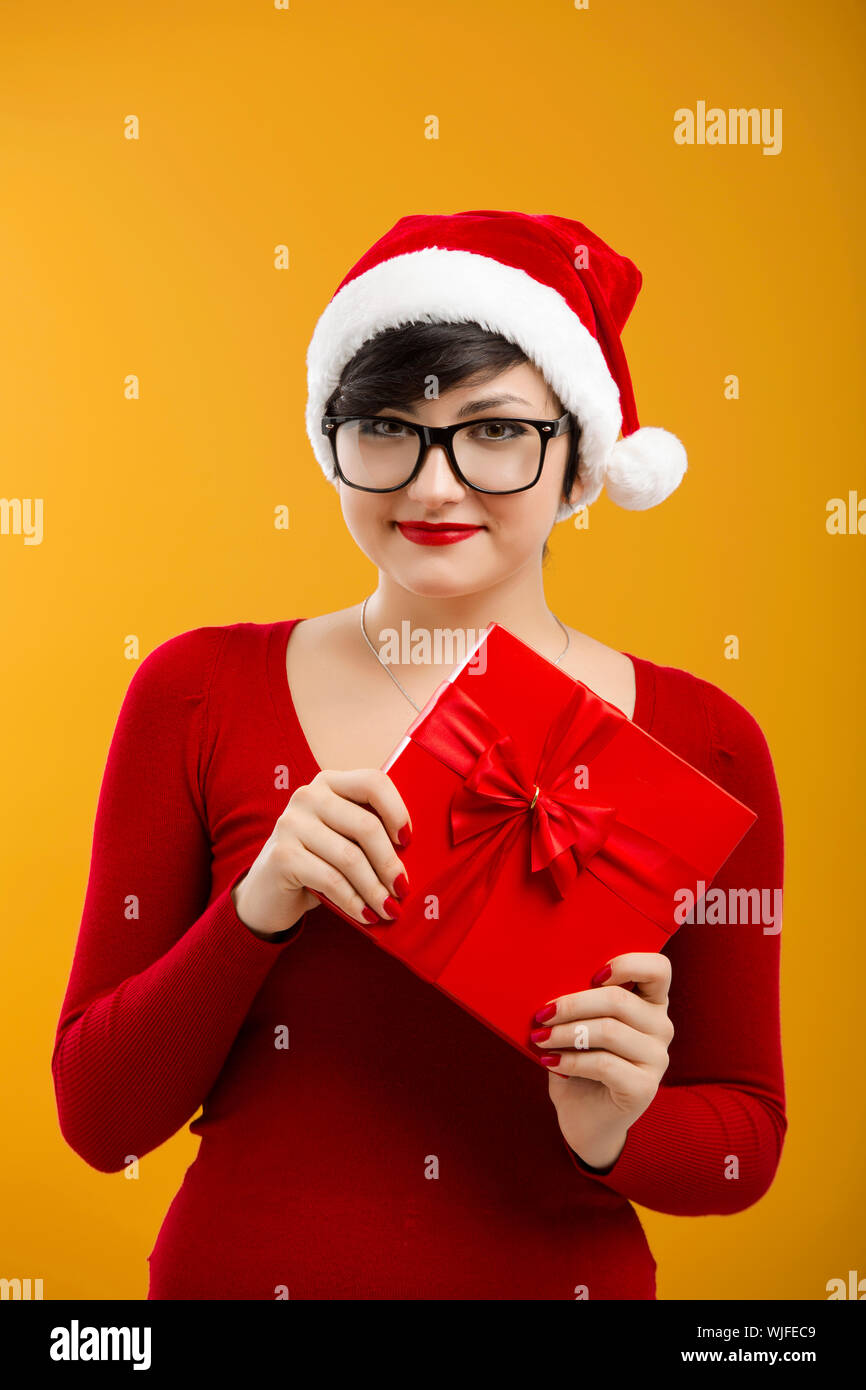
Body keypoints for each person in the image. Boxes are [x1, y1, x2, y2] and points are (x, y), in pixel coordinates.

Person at [51, 211, 786, 1300]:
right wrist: (254, 908)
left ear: (577, 454)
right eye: (387, 426)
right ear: (331, 441)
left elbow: (744, 1139)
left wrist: (615, 1127)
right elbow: (101, 1118)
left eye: (494, 432)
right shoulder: (195, 691)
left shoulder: (703, 741)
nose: (433, 487)